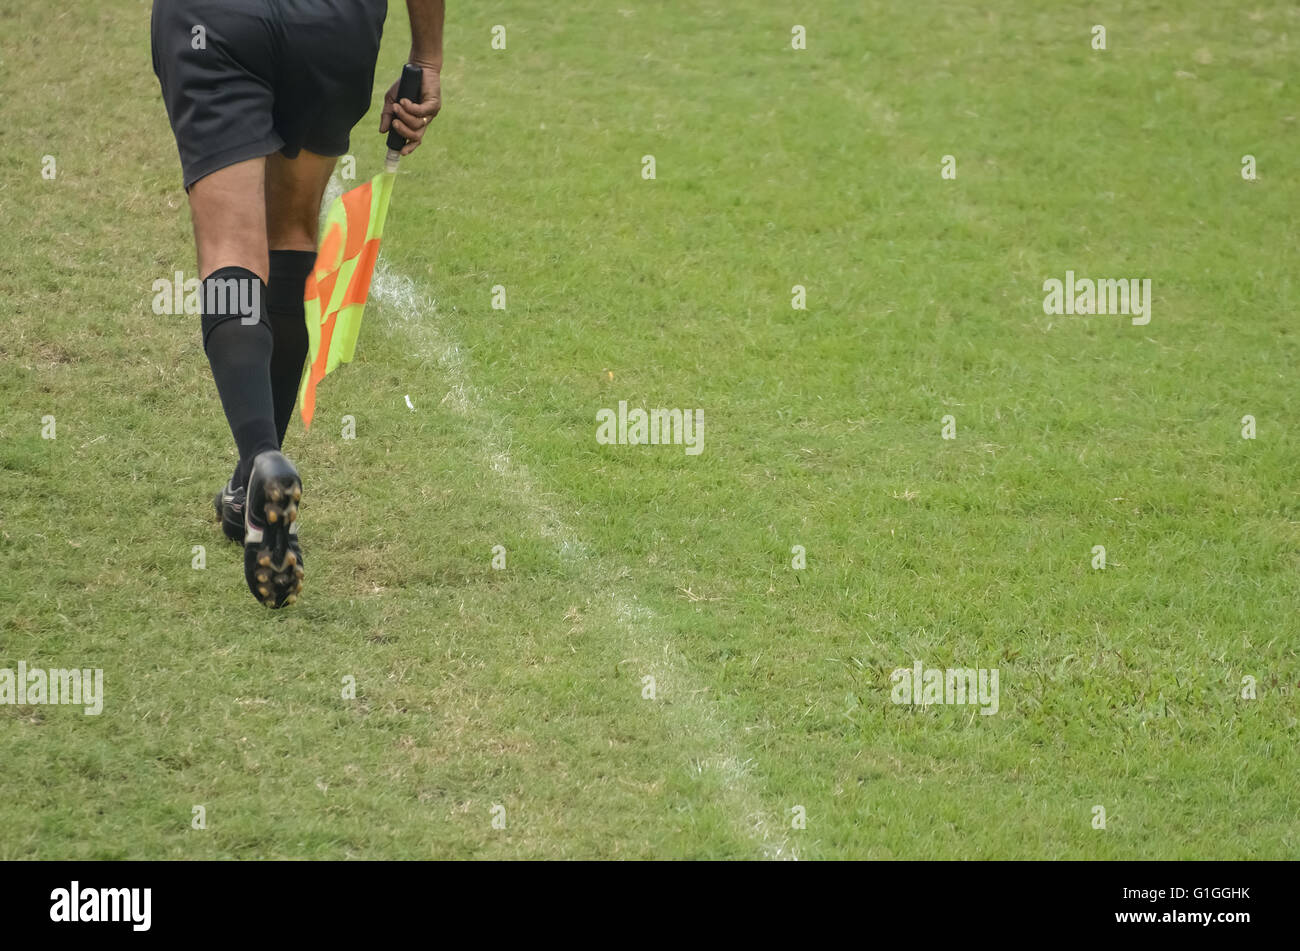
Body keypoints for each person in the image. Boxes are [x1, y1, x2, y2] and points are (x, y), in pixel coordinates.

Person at [150, 0, 445, 607]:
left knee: (233, 244)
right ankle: (249, 489)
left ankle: (261, 459)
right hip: (333, 24)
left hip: (218, 22)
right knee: (291, 235)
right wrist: (425, 58)